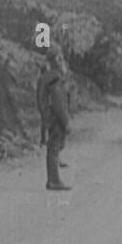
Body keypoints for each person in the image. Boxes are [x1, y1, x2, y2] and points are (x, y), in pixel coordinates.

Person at [36, 44, 72, 190]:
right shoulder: (55, 78)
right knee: (54, 147)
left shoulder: (47, 76)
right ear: (55, 59)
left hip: (49, 116)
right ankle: (54, 180)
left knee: (54, 146)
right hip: (55, 117)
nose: (62, 59)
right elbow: (58, 102)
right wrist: (66, 120)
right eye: (59, 57)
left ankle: (53, 179)